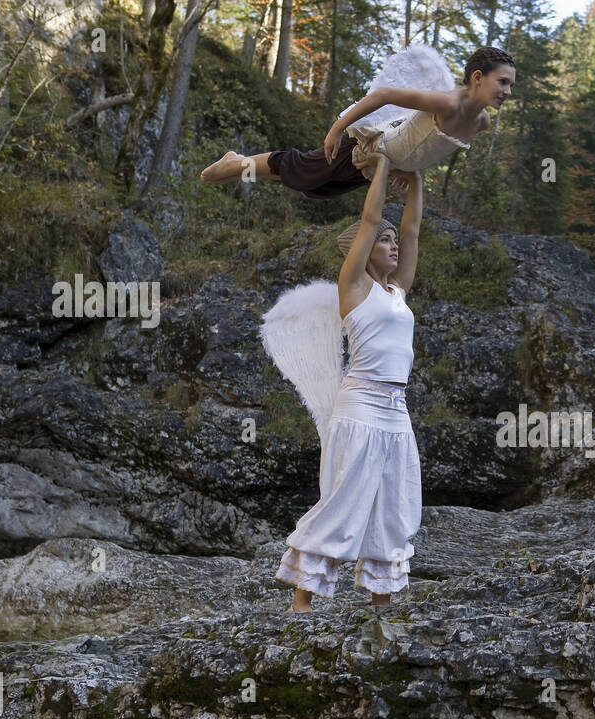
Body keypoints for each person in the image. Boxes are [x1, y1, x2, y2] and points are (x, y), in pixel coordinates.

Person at [265, 146, 424, 609]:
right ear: (365, 249)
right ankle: (302, 603)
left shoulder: (398, 292)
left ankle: (382, 600)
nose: (394, 245)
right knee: (343, 501)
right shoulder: (354, 287)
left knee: (394, 503)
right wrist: (384, 165)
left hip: (397, 410)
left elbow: (412, 228)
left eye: (395, 242)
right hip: (359, 406)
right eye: (385, 241)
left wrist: (414, 180)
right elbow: (371, 218)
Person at [201, 45, 515, 199]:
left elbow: (428, 145)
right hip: (363, 147)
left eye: (510, 85)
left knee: (315, 186)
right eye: (503, 82)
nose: (507, 91)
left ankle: (241, 168)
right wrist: (337, 129)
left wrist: (407, 171)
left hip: (378, 166)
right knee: (298, 170)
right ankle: (234, 164)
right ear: (477, 78)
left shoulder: (481, 123)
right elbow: (385, 94)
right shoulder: (448, 102)